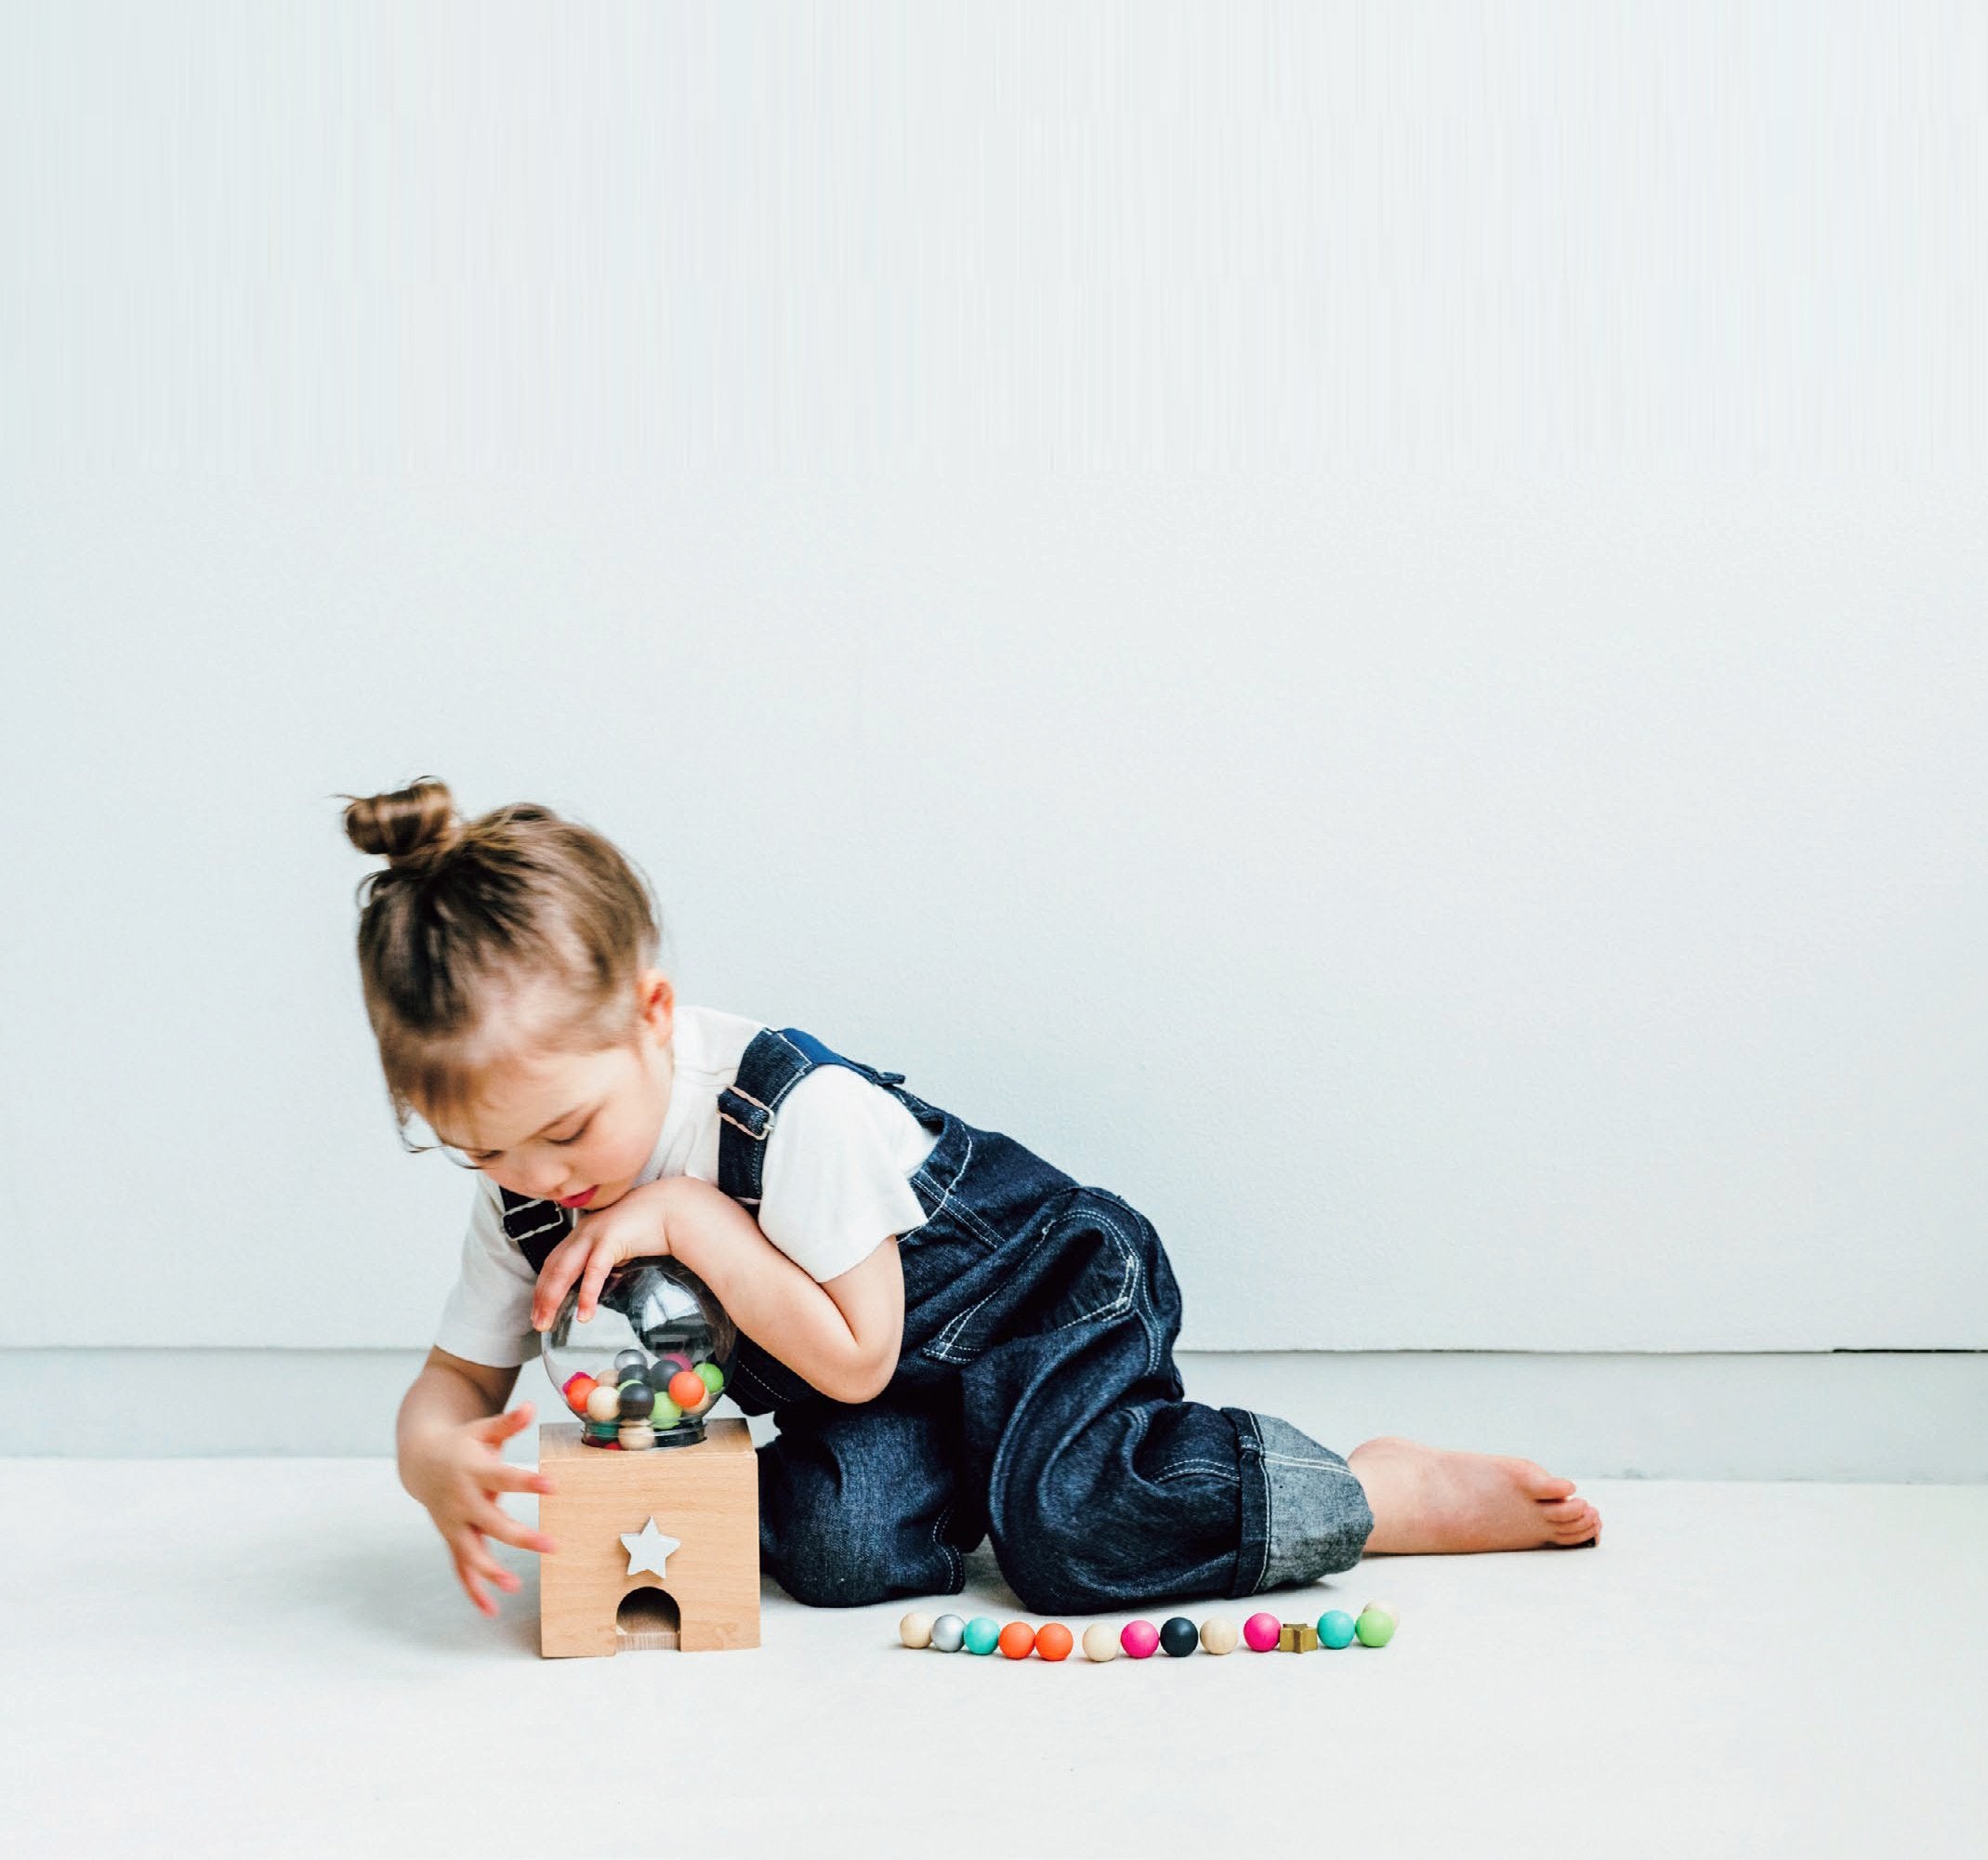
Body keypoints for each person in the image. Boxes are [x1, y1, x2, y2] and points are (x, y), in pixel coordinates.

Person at [348, 778, 1602, 1620]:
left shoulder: (790, 1113)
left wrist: (694, 1223)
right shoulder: (530, 1193)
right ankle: (989, 1470)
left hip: (1043, 1295)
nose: (544, 1181)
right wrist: (432, 1456)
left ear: (654, 1018)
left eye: (566, 1130)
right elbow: (452, 1383)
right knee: (833, 1546)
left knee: (1067, 1534)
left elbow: (850, 1356)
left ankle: (1367, 1490)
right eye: (487, 1155)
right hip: (906, 1383)